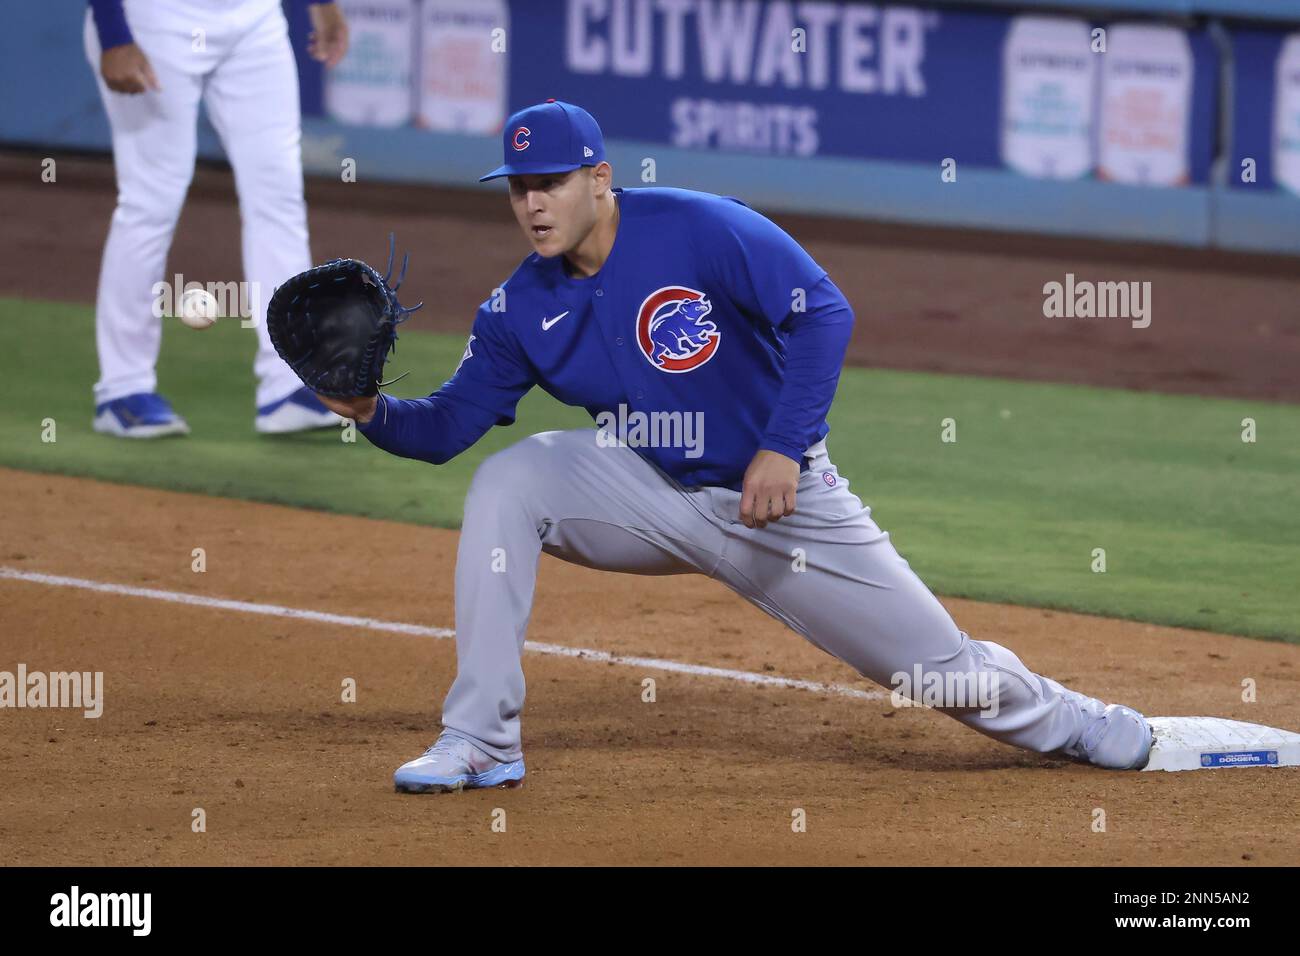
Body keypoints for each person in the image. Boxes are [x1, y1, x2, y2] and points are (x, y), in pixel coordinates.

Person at [316, 100, 1154, 793]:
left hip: (787, 509)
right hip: (646, 489)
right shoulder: (517, 309)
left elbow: (824, 313)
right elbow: (445, 429)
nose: (532, 204)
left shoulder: (701, 229)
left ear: (599, 180)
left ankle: (1082, 724)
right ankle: (483, 741)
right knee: (508, 481)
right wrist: (367, 408)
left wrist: (784, 447)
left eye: (551, 183)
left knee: (941, 673)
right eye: (518, 189)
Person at [84, 0, 349, 437]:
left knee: (278, 195)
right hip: (155, 18)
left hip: (253, 18)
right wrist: (114, 31)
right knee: (151, 199)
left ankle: (287, 384)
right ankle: (122, 389)